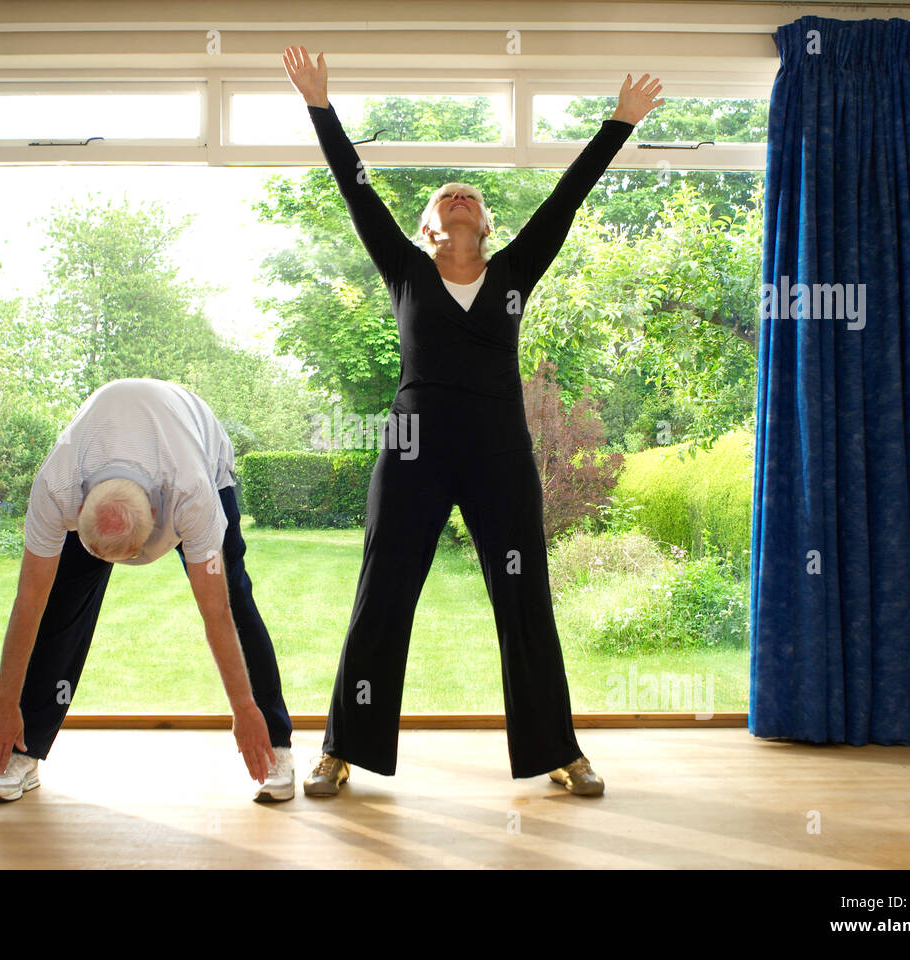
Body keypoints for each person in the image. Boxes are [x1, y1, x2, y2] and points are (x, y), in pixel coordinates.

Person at [282, 45, 664, 797]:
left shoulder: (515, 273)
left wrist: (618, 124)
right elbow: (356, 191)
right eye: (446, 197)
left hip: (497, 451)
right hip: (413, 447)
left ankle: (560, 751)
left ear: (487, 224)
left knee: (524, 597)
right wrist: (320, 106)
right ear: (428, 225)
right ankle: (339, 750)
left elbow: (566, 200)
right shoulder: (407, 271)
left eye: (471, 196)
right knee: (383, 593)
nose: (459, 198)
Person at [0, 377, 295, 802]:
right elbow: (28, 601)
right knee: (57, 607)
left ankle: (272, 741)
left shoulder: (191, 494)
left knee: (233, 600)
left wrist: (242, 707)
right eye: (98, 552)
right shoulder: (56, 487)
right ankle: (24, 747)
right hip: (112, 472)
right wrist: (2, 702)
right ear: (80, 513)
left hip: (198, 452)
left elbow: (214, 612)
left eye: (128, 555)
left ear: (157, 520)